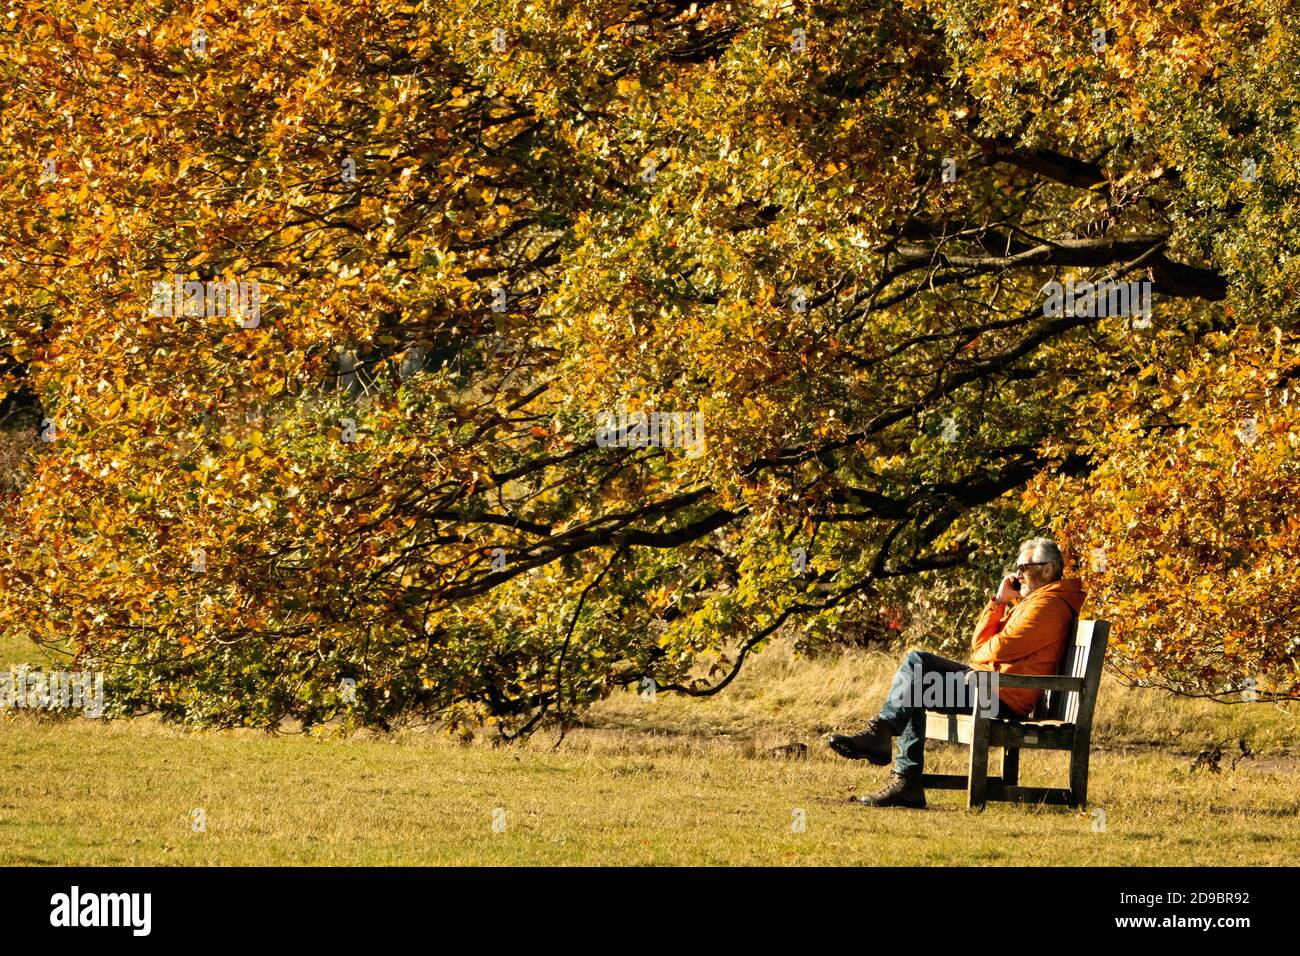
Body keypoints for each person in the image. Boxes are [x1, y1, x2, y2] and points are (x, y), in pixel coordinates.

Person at [827, 537, 1086, 808]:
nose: (1017, 573)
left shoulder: (1049, 606)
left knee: (918, 661)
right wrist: (999, 601)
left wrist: (983, 652)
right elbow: (984, 646)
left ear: (1047, 570)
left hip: (1001, 700)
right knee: (917, 685)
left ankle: (883, 740)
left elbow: (995, 649)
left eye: (1024, 566)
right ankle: (904, 780)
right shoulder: (1035, 602)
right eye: (1018, 566)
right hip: (989, 689)